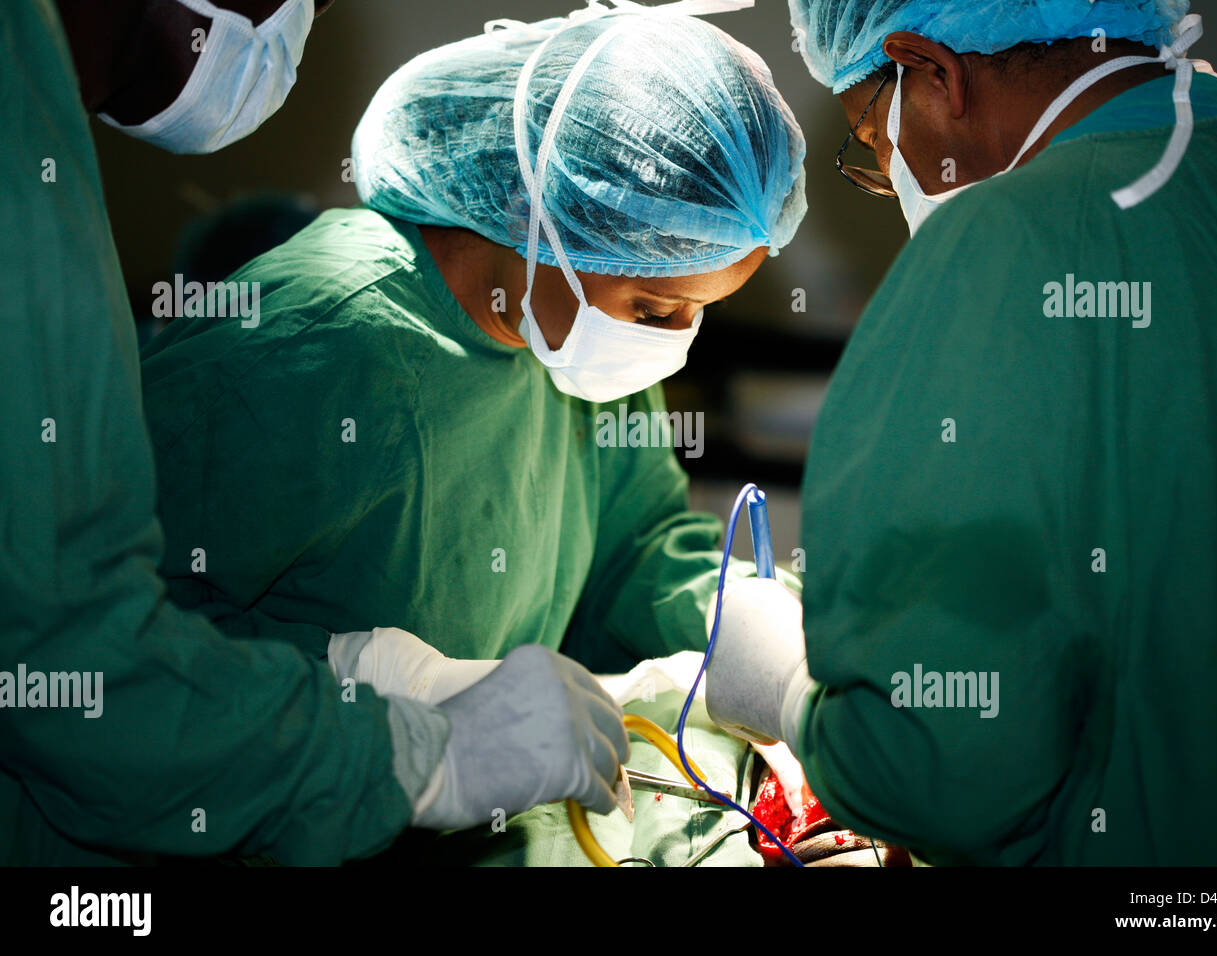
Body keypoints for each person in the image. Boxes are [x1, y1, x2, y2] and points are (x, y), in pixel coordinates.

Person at [136, 0, 808, 859]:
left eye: (698, 312)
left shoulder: (568, 341)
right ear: (549, 213)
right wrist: (389, 695)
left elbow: (628, 544)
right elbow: (117, 642)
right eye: (655, 305)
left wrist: (746, 633)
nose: (671, 341)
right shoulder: (314, 347)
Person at [1, 0, 627, 865]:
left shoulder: (30, 122)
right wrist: (398, 747)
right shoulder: (320, 340)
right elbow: (71, 667)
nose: (296, 28)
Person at [706, 0, 1217, 864]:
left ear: (932, 73)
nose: (888, 174)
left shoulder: (1001, 247)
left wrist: (788, 694)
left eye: (874, 143)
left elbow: (941, 770)